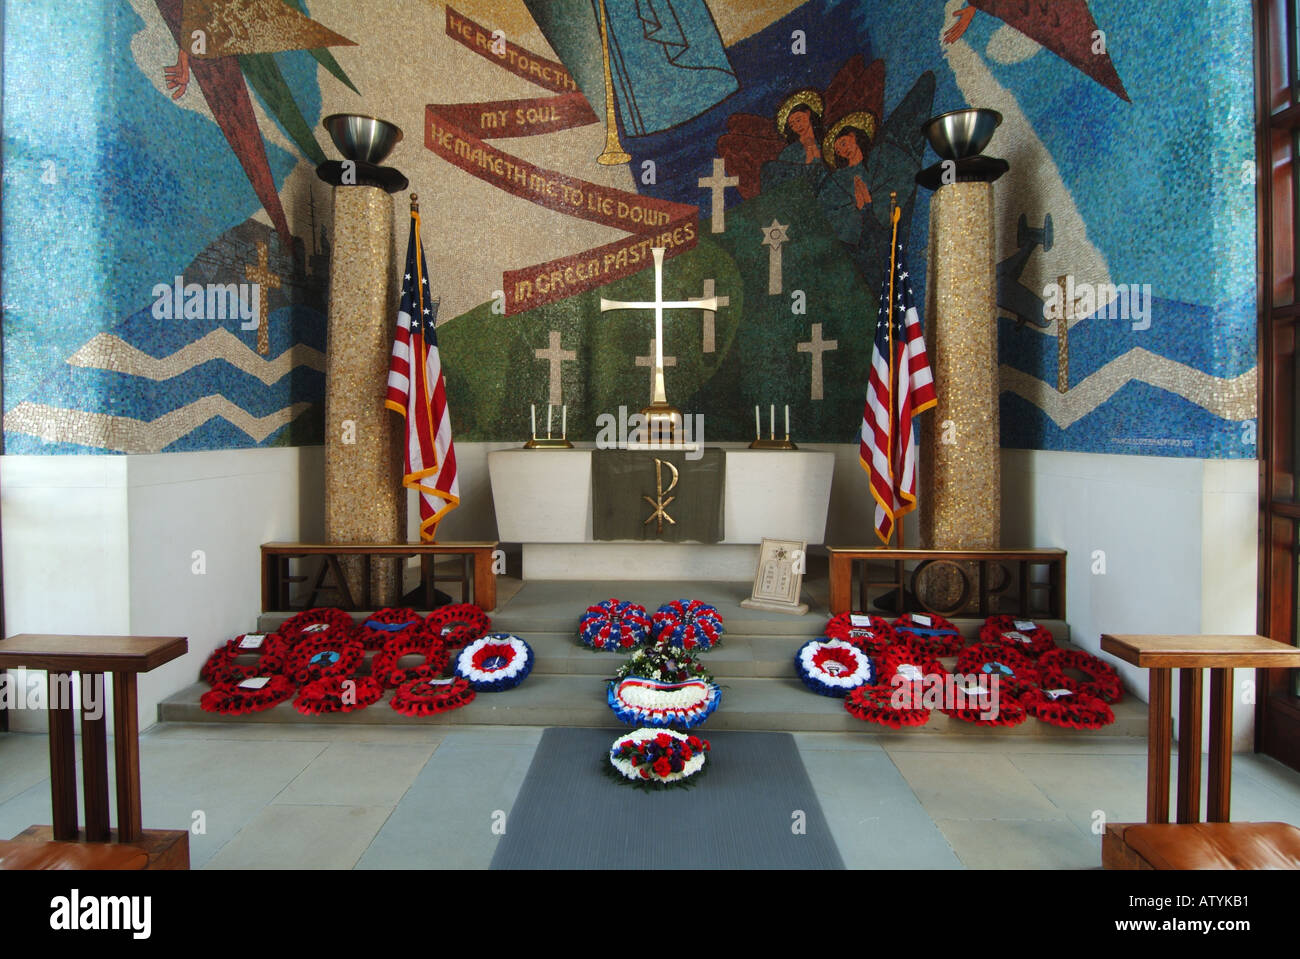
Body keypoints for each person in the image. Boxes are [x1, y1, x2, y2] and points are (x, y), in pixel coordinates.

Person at [759, 90, 828, 193]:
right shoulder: (790, 152)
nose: (797, 126)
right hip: (801, 192)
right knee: (769, 168)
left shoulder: (828, 138)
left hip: (826, 186)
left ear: (808, 113)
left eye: (798, 120)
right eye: (792, 124)